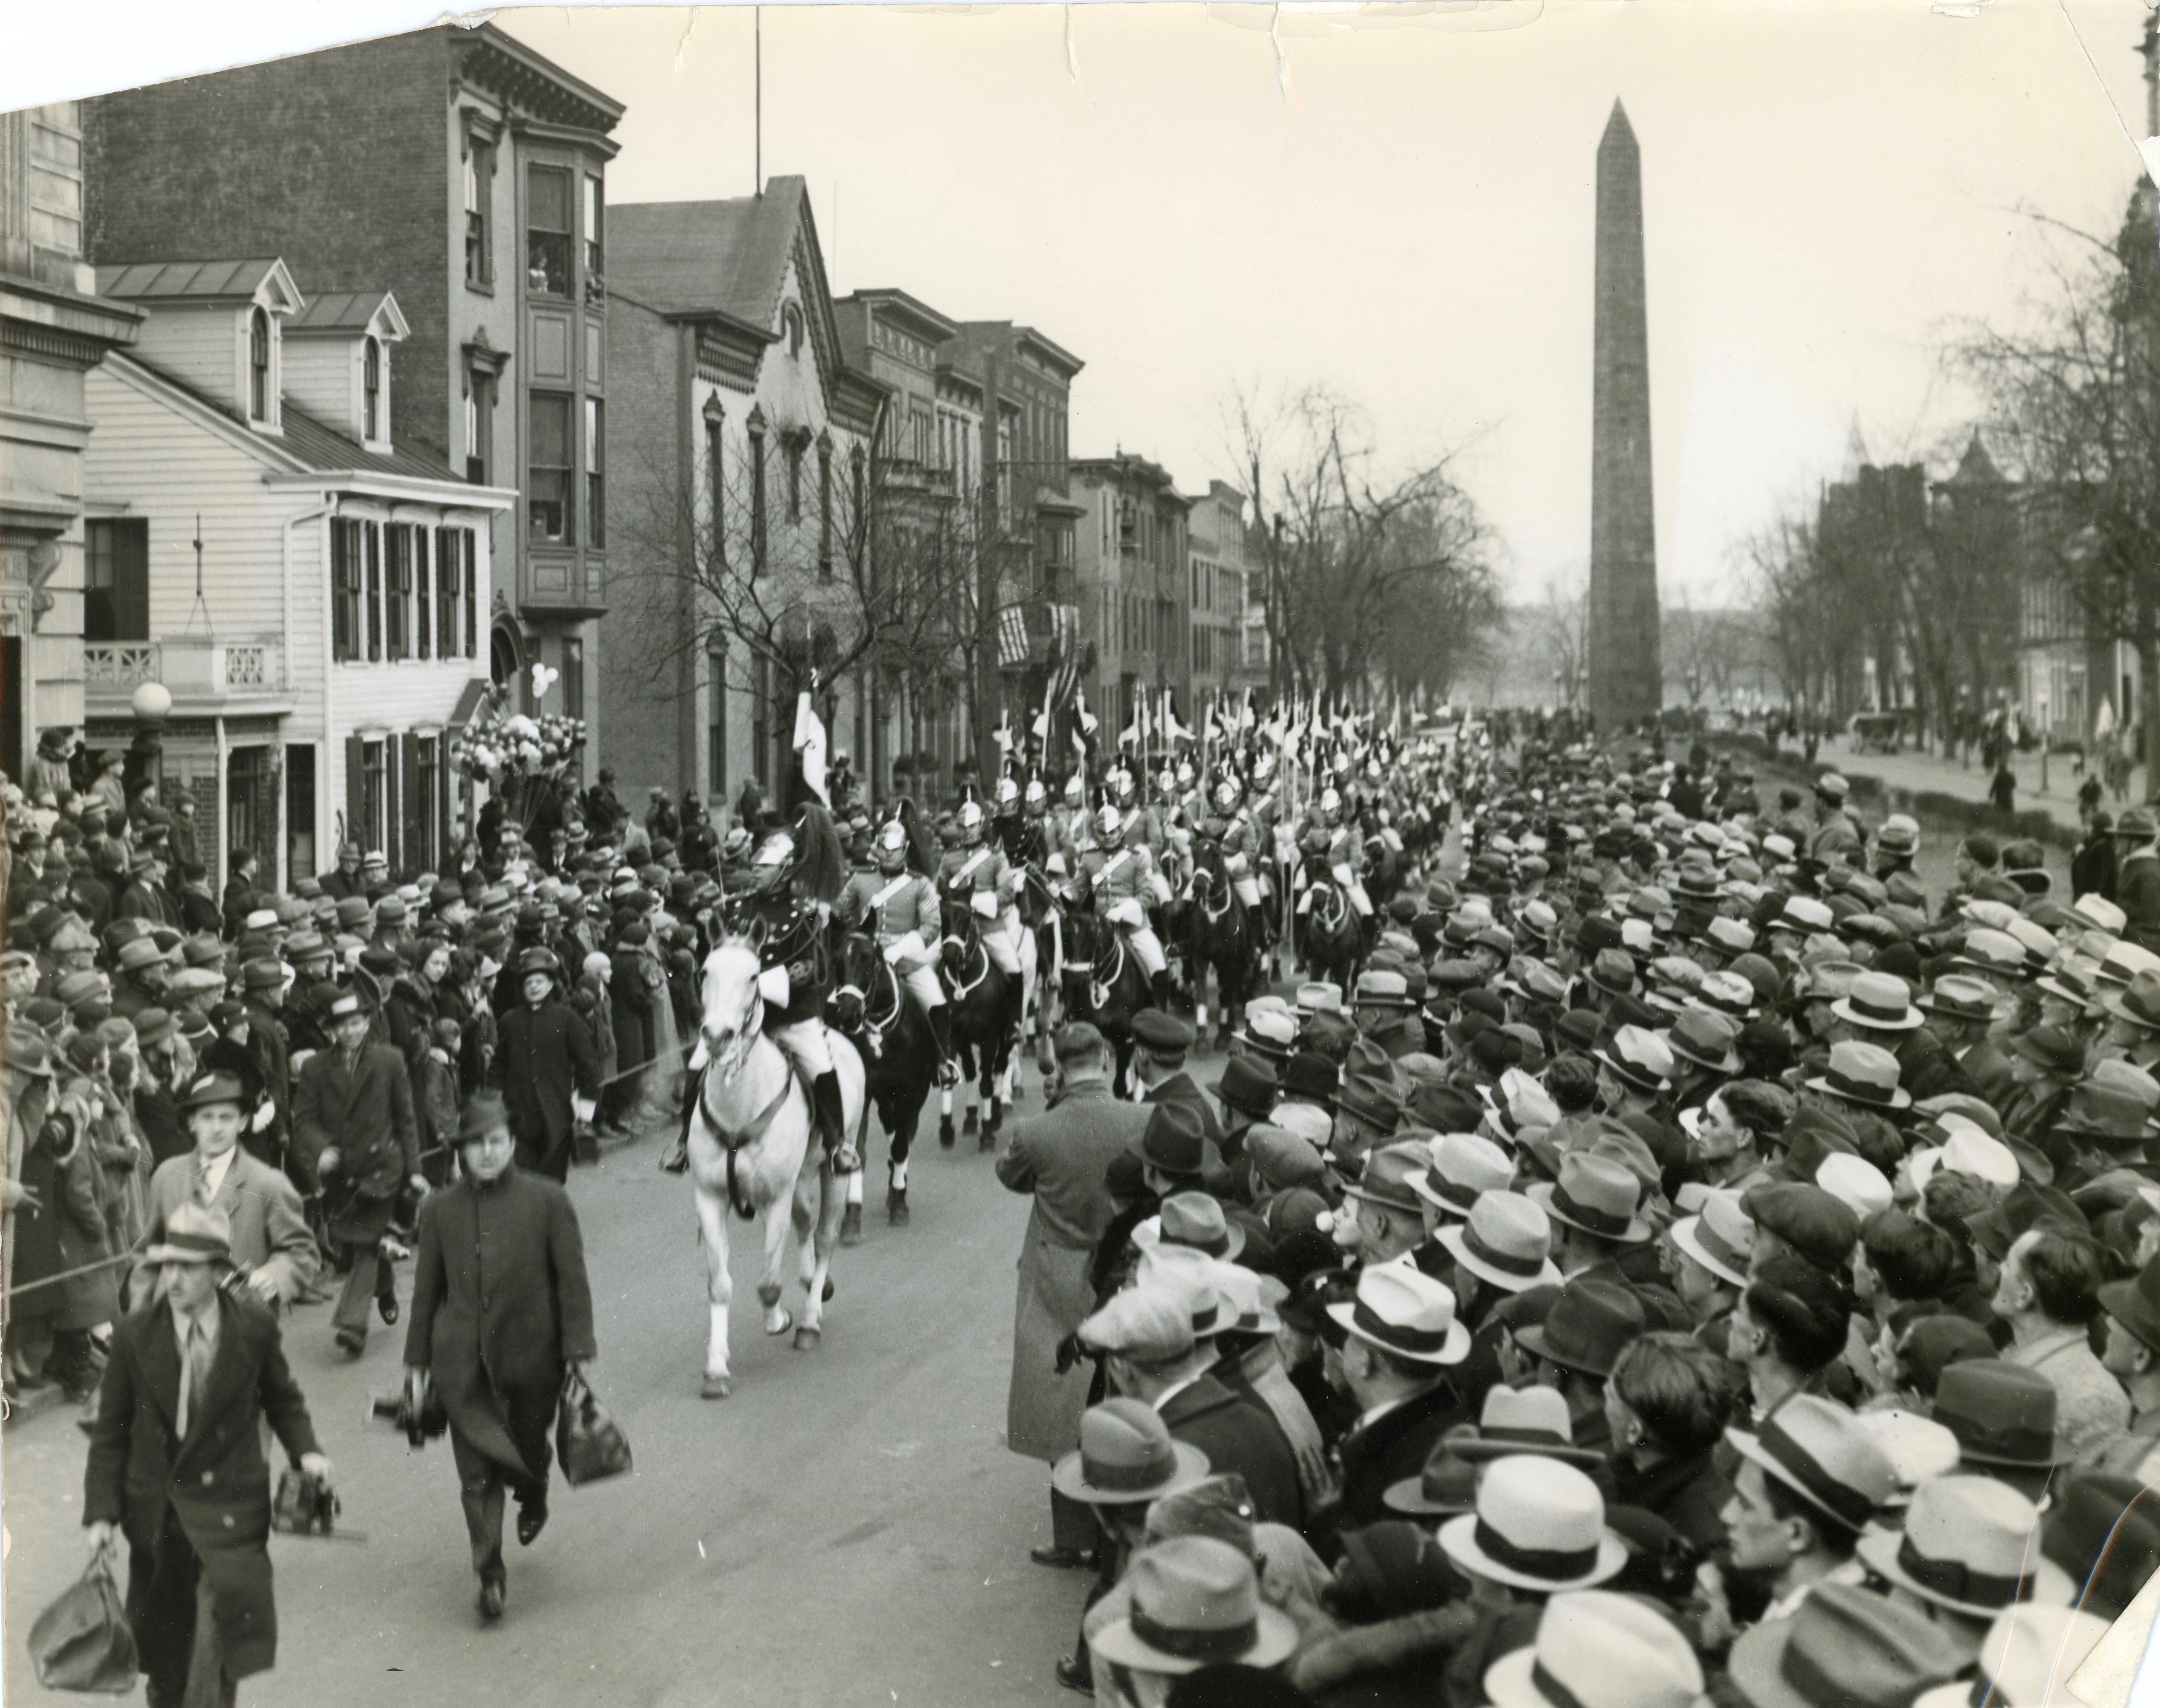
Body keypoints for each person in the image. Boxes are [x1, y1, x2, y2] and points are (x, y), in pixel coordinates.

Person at [83, 1201, 332, 1708]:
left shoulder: (253, 1328)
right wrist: (101, 1515)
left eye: (187, 1267)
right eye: (166, 1265)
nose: (172, 1279)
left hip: (230, 1511)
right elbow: (111, 1432)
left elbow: (283, 1398)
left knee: (215, 1647)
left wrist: (307, 1452)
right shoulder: (135, 1335)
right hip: (159, 1516)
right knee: (167, 1661)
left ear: (218, 1272)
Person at [403, 1094, 596, 1623]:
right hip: (461, 1364)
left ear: (512, 1144)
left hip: (534, 1359)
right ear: (460, 1151)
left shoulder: (549, 1200)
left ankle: (534, 1488)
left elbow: (572, 1281)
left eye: (496, 1142)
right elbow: (426, 1292)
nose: (486, 1153)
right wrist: (416, 1363)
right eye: (474, 1144)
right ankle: (489, 1571)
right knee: (476, 1475)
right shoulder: (439, 1209)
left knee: (528, 1451)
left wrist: (577, 1349)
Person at [996, 1020, 1155, 1570]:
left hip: (1056, 1272)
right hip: (1123, 1268)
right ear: (1107, 1059)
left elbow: (1012, 1177)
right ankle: (1118, 1532)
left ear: (1058, 1066)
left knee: (1061, 1403)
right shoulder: (1141, 1119)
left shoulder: (1036, 1131)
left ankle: (1071, 1536)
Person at [292, 989, 423, 1358]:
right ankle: (385, 1286)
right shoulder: (315, 1067)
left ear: (366, 1022)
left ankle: (352, 1325)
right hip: (342, 1174)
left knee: (365, 1244)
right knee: (350, 1249)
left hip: (383, 1169)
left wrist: (414, 1170)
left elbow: (406, 1118)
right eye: (342, 1025)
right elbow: (303, 1120)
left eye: (356, 1022)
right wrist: (323, 1149)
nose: (350, 1031)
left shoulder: (389, 1060)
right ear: (331, 1030)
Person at [133, 1071, 317, 1314]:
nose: (216, 1128)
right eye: (207, 1117)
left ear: (242, 1123)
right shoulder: (167, 1177)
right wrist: (140, 1321)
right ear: (192, 1122)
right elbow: (148, 1255)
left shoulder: (268, 1182)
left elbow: (301, 1251)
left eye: (226, 1118)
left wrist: (274, 1276)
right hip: (173, 1328)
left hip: (241, 1326)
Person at [488, 946, 600, 1182]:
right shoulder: (510, 1021)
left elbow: (588, 1068)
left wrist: (585, 1113)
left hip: (557, 1116)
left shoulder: (567, 1019)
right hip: (519, 1116)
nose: (535, 987)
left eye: (539, 981)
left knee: (553, 1182)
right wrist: (494, 1102)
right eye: (529, 983)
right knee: (522, 1181)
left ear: (551, 984)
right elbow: (498, 1065)